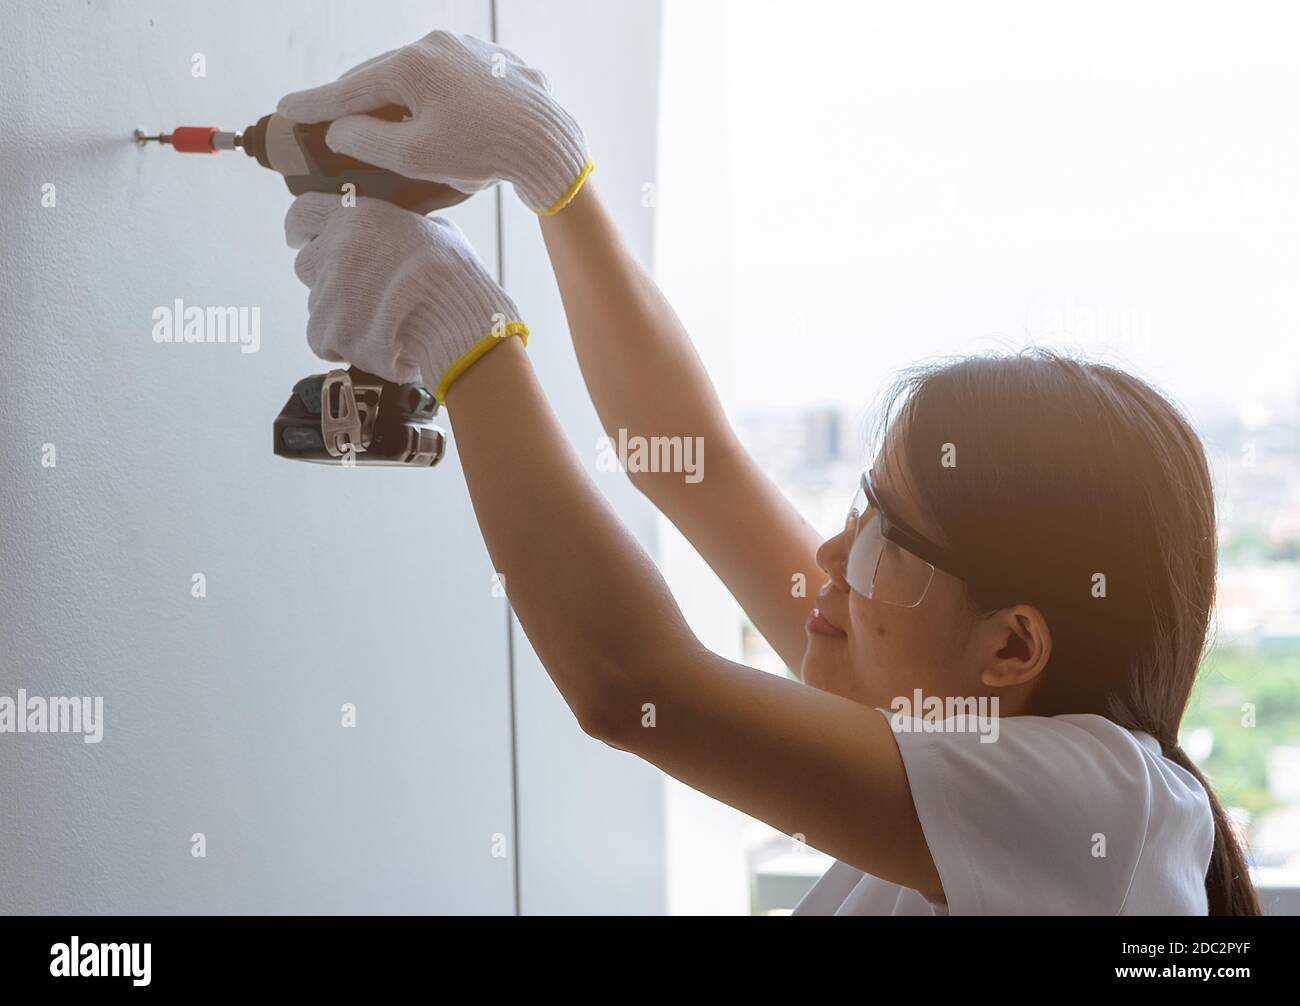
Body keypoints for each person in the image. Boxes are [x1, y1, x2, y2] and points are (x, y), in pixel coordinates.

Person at [277, 31, 1259, 915]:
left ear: (1011, 648)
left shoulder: (1103, 799)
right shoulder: (929, 707)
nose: (830, 552)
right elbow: (688, 463)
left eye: (884, 539)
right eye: (858, 508)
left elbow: (633, 684)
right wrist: (553, 171)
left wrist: (455, 329)